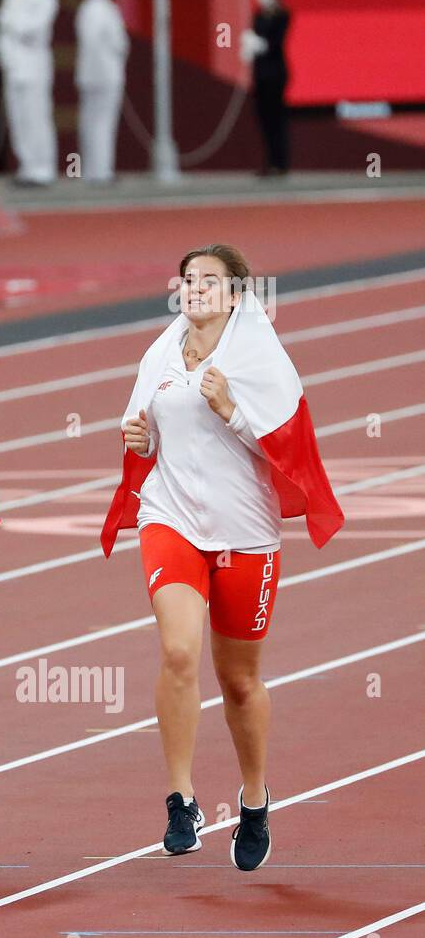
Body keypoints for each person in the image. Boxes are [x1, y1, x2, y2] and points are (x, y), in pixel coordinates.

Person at [101, 244, 344, 872]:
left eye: (210, 280)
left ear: (238, 294)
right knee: (179, 650)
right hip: (171, 517)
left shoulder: (262, 360)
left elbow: (288, 452)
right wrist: (138, 436)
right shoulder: (160, 353)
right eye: (187, 279)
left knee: (238, 681)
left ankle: (255, 799)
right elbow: (145, 430)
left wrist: (232, 411)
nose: (196, 288)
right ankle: (181, 799)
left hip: (244, 531)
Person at [0, 0, 58, 186]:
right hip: (13, 66)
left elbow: (31, 30)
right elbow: (3, 30)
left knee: (36, 117)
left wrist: (13, 22)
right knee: (18, 119)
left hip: (34, 64)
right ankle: (27, 166)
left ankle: (43, 168)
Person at [74, 0, 128, 184]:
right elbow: (111, 42)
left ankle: (92, 170)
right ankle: (102, 171)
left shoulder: (87, 8)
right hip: (105, 73)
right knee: (103, 122)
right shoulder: (103, 8)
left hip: (91, 73)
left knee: (91, 122)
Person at [243, 0, 290, 176]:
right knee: (263, 119)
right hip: (260, 74)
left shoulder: (282, 15)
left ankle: (280, 163)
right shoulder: (258, 15)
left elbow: (275, 42)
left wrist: (259, 45)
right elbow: (255, 36)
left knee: (276, 119)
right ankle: (269, 161)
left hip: (276, 74)